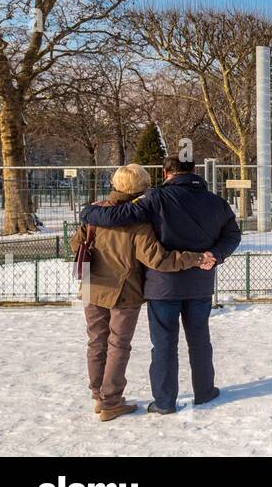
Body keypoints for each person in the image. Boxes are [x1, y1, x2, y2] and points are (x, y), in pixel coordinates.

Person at [80, 156, 241, 412]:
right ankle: (205, 390)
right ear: (194, 170)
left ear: (166, 173)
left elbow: (118, 215)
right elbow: (233, 234)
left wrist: (88, 212)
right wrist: (214, 255)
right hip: (199, 282)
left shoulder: (155, 200)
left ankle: (162, 401)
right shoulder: (217, 202)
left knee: (162, 343)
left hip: (158, 285)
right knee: (199, 338)